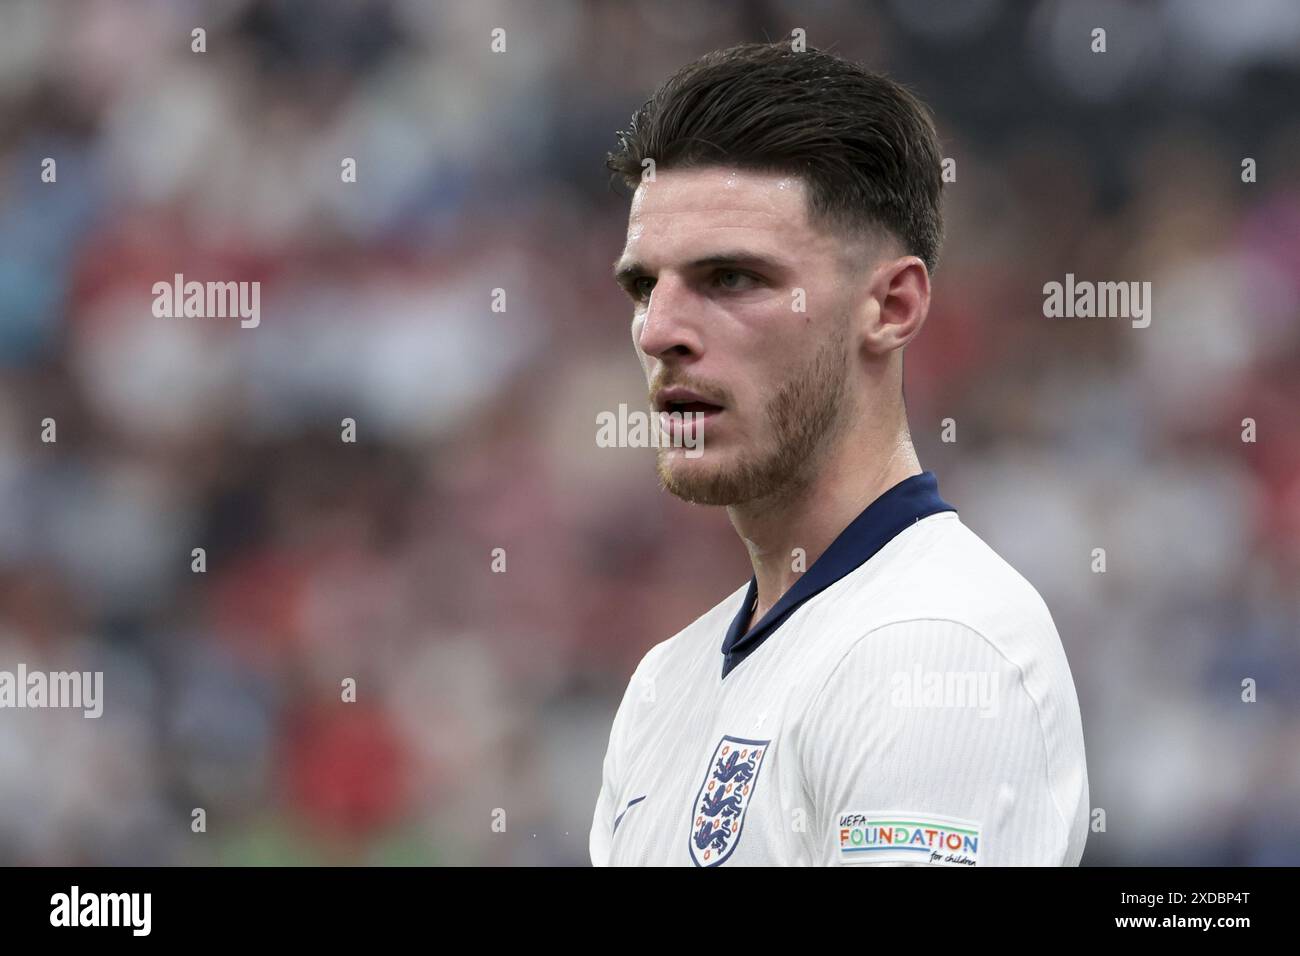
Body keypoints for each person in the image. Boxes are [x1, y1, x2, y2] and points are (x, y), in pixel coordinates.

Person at [591, 41, 1088, 866]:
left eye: (731, 278)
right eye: (645, 286)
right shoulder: (661, 687)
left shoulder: (936, 646)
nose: (658, 330)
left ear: (891, 307)